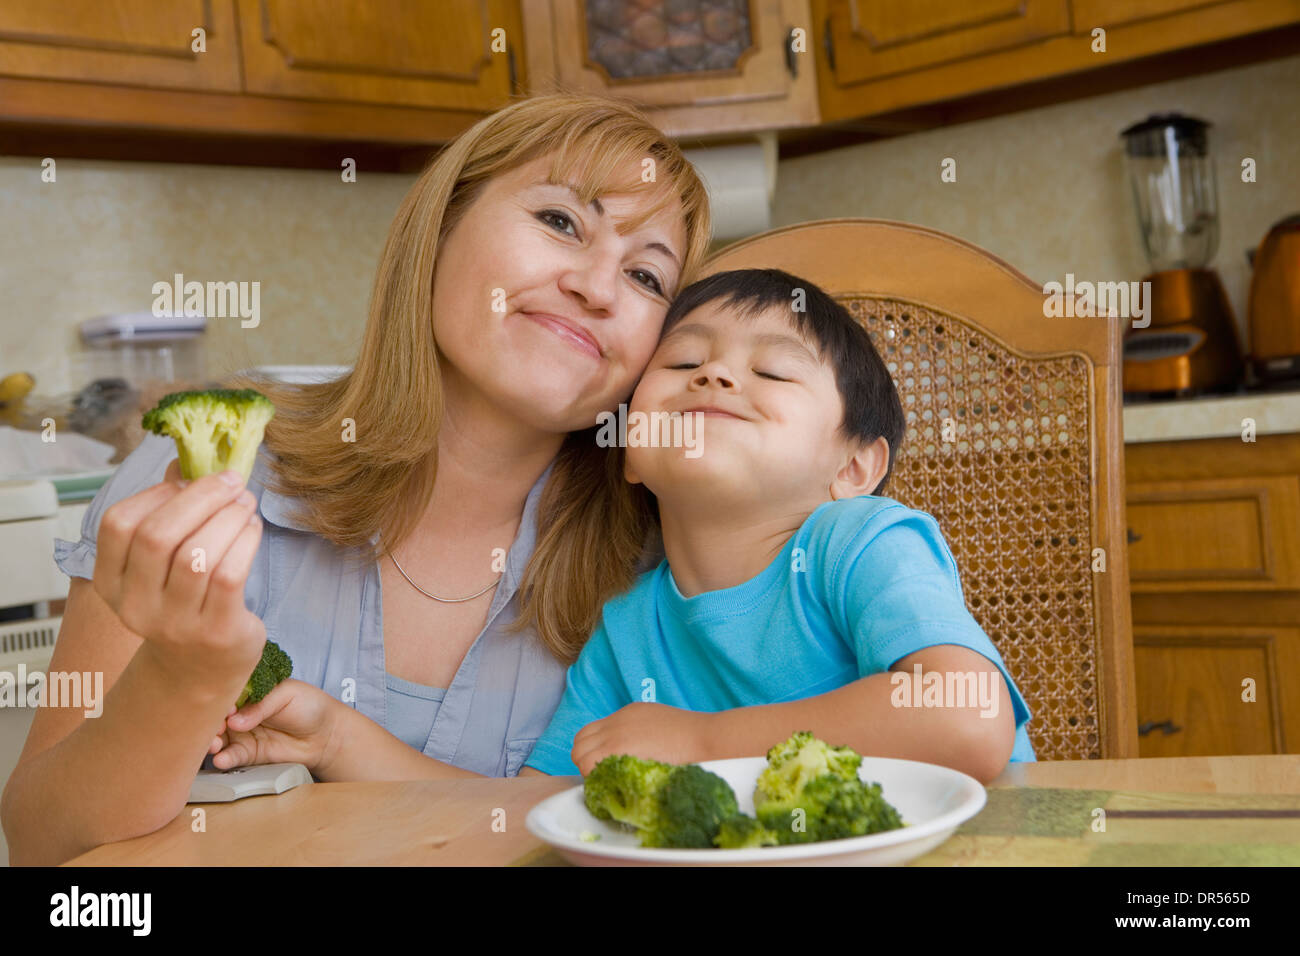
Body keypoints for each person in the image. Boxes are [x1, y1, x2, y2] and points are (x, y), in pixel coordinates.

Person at [0, 91, 712, 866]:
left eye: (647, 277)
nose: (598, 288)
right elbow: (43, 845)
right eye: (561, 222)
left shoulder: (667, 558)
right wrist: (184, 674)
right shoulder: (208, 472)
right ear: (438, 229)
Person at [519, 268, 1035, 782]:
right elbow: (540, 802)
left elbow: (967, 719)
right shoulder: (627, 626)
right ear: (631, 452)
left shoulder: (860, 543)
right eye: (683, 362)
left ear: (854, 468)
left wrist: (703, 741)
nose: (713, 375)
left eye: (771, 372)